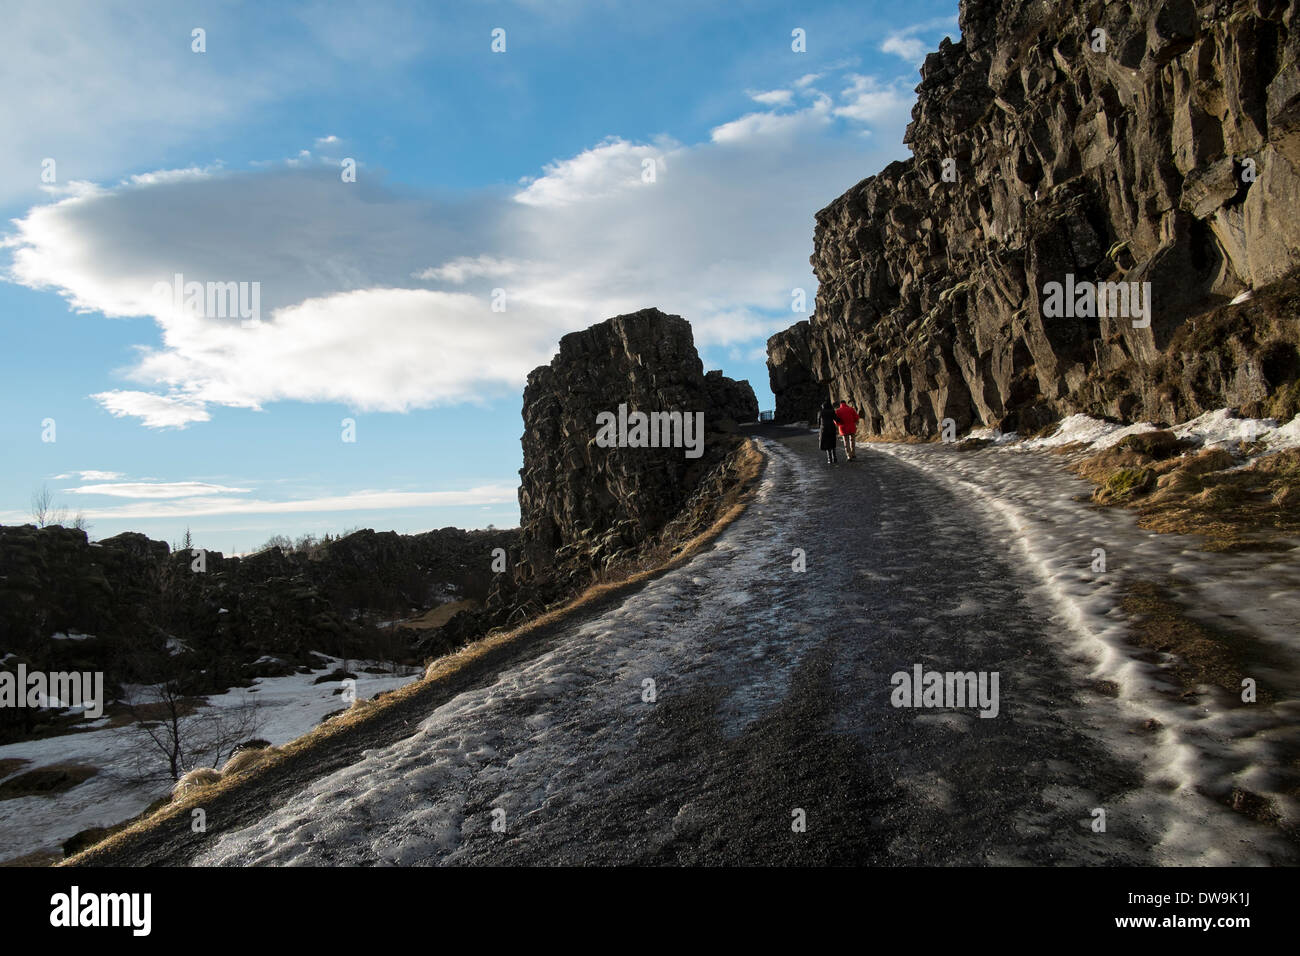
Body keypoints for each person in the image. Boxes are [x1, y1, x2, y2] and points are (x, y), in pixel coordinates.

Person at [817, 400, 839, 464]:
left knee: (827, 444)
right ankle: (835, 458)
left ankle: (829, 459)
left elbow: (818, 422)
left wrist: (820, 427)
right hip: (832, 428)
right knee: (832, 442)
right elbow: (836, 419)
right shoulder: (832, 411)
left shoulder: (820, 412)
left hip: (824, 429)